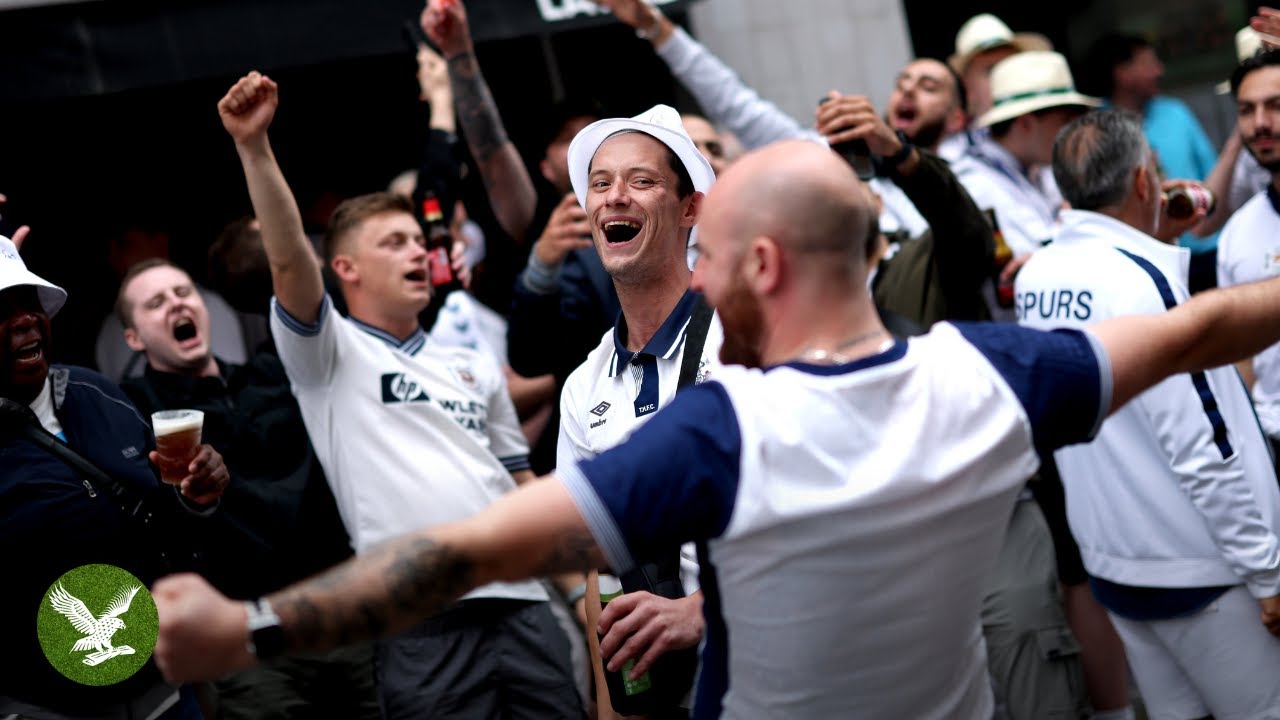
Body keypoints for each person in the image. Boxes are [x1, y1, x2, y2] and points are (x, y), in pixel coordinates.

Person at [155, 136, 1280, 716]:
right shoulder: (983, 377)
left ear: (761, 263)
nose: (692, 276)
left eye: (709, 253)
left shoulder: (723, 437)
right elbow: (1200, 329)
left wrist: (247, 629)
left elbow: (459, 554)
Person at [215, 69, 583, 718]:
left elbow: (520, 485)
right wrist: (254, 148)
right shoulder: (327, 353)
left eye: (418, 240)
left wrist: (581, 595)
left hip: (527, 608)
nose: (416, 251)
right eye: (393, 243)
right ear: (346, 270)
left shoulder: (471, 362)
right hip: (421, 621)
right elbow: (290, 260)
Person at [1017, 109, 1280, 720]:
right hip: (1203, 569)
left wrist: (1156, 233)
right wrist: (1266, 571)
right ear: (1142, 183)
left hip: (1115, 560)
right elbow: (1203, 440)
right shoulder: (1141, 282)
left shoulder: (1038, 271)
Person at [115, 258, 379, 719]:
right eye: (155, 303)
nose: (176, 304)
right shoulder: (135, 408)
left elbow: (318, 302)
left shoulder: (272, 372)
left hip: (340, 612)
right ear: (134, 338)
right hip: (249, 639)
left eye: (183, 292)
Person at [0, 234, 229, 719]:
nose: (24, 318)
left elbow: (168, 518)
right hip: (48, 704)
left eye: (29, 302)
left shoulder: (97, 392)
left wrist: (196, 498)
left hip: (160, 683)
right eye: (1, 310)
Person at [555, 105, 718, 715]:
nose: (614, 197)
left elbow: (813, 504)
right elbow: (596, 571)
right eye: (600, 184)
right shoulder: (582, 386)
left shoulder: (745, 336)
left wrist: (698, 613)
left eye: (641, 181)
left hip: (770, 661)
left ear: (689, 209)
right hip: (663, 690)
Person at [953, 50, 1099, 320]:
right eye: (1066, 120)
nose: (1076, 130)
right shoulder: (975, 184)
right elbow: (1027, 270)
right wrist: (1077, 217)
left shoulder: (1040, 169)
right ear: (1025, 123)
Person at [1081, 33, 1219, 290]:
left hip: (1204, 254)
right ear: (1123, 73)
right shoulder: (1094, 130)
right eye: (1148, 64)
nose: (1159, 70)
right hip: (1139, 260)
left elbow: (1211, 174)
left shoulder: (1176, 113)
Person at [1217, 49, 1280, 448]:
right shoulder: (1237, 233)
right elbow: (1241, 355)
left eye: (1276, 106)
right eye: (1246, 110)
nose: (1260, 124)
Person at [943, 12, 1052, 161]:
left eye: (1011, 65)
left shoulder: (1049, 139)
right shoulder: (954, 158)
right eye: (992, 70)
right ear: (966, 86)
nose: (1007, 76)